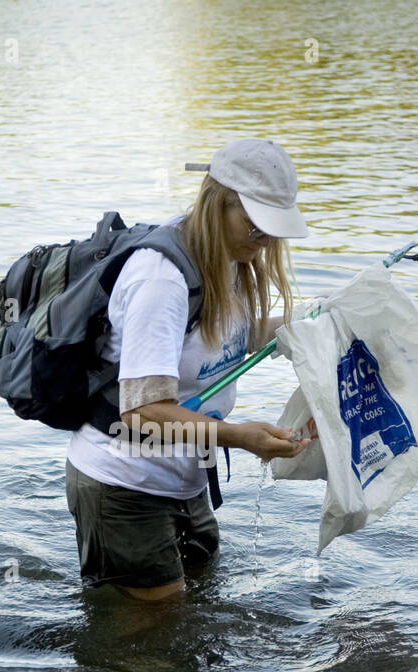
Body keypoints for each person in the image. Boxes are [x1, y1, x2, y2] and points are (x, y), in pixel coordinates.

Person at [65, 138, 316, 601]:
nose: (264, 240)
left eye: (272, 228)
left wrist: (310, 325)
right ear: (218, 202)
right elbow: (141, 412)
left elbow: (221, 339)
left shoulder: (231, 257)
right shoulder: (161, 279)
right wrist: (241, 437)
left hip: (184, 477)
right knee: (148, 641)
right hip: (123, 483)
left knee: (196, 611)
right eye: (255, 224)